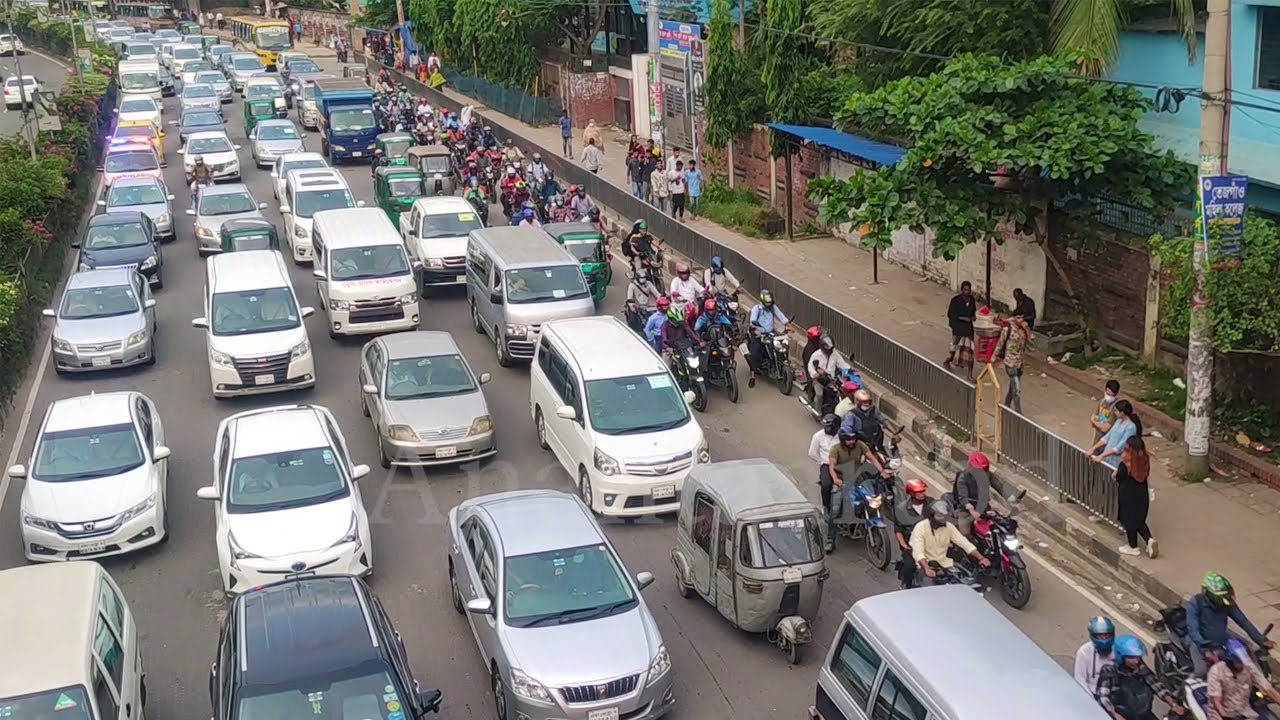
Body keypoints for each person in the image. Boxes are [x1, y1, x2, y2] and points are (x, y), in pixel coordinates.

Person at [1186, 572, 1275, 678]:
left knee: (1245, 657)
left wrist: (1261, 640)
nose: (1224, 599)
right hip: (1200, 644)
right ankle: (1187, 685)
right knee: (1202, 671)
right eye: (1221, 596)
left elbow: (1243, 621)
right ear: (1209, 595)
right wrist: (1204, 647)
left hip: (1222, 641)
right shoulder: (1196, 602)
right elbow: (1193, 628)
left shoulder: (1226, 603)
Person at [827, 429, 891, 552]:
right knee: (835, 511)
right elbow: (831, 466)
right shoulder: (835, 449)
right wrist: (835, 479)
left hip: (857, 479)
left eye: (853, 439)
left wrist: (882, 471)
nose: (851, 442)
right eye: (848, 439)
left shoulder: (860, 445)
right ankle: (830, 540)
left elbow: (871, 458)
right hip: (841, 481)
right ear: (842, 440)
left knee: (872, 497)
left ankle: (865, 518)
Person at [1097, 635, 1186, 720]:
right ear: (1121, 656)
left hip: (1143, 714)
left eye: (1138, 657)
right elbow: (1103, 698)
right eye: (1132, 658)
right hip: (1122, 715)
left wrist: (1173, 704)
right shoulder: (1109, 670)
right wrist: (1116, 715)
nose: (1136, 661)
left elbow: (1156, 684)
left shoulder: (1140, 667)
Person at [909, 500, 990, 583]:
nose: (942, 519)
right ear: (931, 516)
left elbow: (964, 543)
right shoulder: (920, 528)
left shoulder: (949, 526)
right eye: (939, 516)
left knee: (966, 580)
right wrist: (927, 569)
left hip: (944, 563)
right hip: (924, 565)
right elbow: (918, 553)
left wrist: (981, 558)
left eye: (944, 516)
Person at [1207, 637, 1280, 720]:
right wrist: (1225, 715)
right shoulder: (1216, 671)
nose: (1241, 666)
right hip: (1222, 715)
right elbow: (1216, 701)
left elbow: (1269, 689)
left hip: (1244, 711)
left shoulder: (1249, 667)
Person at [1114, 436, 1158, 558]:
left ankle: (1133, 546)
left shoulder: (1125, 465)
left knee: (1128, 521)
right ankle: (1149, 540)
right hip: (1142, 495)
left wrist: (1116, 473)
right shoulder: (1143, 461)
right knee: (1139, 521)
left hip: (1128, 496)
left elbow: (1119, 477)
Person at [746, 290, 789, 388]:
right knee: (755, 351)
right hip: (758, 334)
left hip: (770, 333)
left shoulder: (773, 307)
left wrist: (787, 325)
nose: (769, 306)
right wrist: (757, 330)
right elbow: (752, 321)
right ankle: (752, 375)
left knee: (780, 346)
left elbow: (781, 316)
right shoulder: (756, 309)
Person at [892, 478, 931, 587]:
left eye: (923, 491)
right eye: (919, 492)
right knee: (909, 566)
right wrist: (904, 545)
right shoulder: (901, 509)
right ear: (912, 494)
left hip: (931, 541)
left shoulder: (931, 503)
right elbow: (898, 530)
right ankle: (905, 585)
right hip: (912, 544)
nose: (922, 494)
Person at [809, 414, 842, 534]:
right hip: (826, 465)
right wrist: (823, 461)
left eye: (829, 426)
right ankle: (826, 507)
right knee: (826, 485)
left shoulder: (842, 436)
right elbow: (812, 453)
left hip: (842, 464)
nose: (826, 429)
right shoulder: (818, 436)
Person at [947, 451, 991, 538]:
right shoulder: (963, 478)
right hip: (966, 509)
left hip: (982, 508)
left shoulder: (986, 476)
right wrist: (972, 510)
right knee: (964, 533)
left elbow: (991, 491)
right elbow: (963, 497)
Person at [995, 314, 1032, 412]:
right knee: (1016, 389)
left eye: (1022, 318)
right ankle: (1018, 411)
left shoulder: (1023, 330)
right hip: (1010, 361)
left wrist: (1027, 329)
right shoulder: (1007, 330)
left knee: (1013, 386)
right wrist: (994, 357)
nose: (1021, 320)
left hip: (1019, 362)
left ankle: (1006, 404)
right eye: (1018, 318)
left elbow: (1031, 342)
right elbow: (1000, 344)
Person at [1088, 400, 1141, 469]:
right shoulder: (1118, 421)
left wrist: (1102, 455)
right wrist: (1093, 448)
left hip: (1116, 461)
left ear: (1122, 412)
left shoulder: (1130, 427)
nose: (1114, 413)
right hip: (1107, 457)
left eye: (1116, 411)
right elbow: (1106, 438)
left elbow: (1120, 447)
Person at [839, 388, 892, 454]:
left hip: (876, 440)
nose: (867, 404)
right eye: (864, 402)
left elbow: (883, 420)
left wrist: (894, 433)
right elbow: (846, 429)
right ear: (858, 401)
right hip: (862, 443)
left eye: (868, 401)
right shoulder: (851, 414)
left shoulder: (873, 410)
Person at [1075, 616, 1116, 699]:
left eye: (1107, 635)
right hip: (1092, 694)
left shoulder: (1117, 649)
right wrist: (1091, 700)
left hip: (1113, 694)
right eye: (1100, 636)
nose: (1104, 639)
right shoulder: (1084, 652)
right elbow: (1080, 679)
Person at [944, 281, 976, 370]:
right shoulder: (955, 300)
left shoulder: (972, 299)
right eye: (965, 290)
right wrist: (963, 318)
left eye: (969, 290)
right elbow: (950, 314)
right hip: (958, 326)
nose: (967, 292)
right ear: (962, 290)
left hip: (968, 327)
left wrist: (973, 317)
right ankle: (949, 358)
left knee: (970, 348)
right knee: (955, 344)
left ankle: (969, 370)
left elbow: (973, 311)